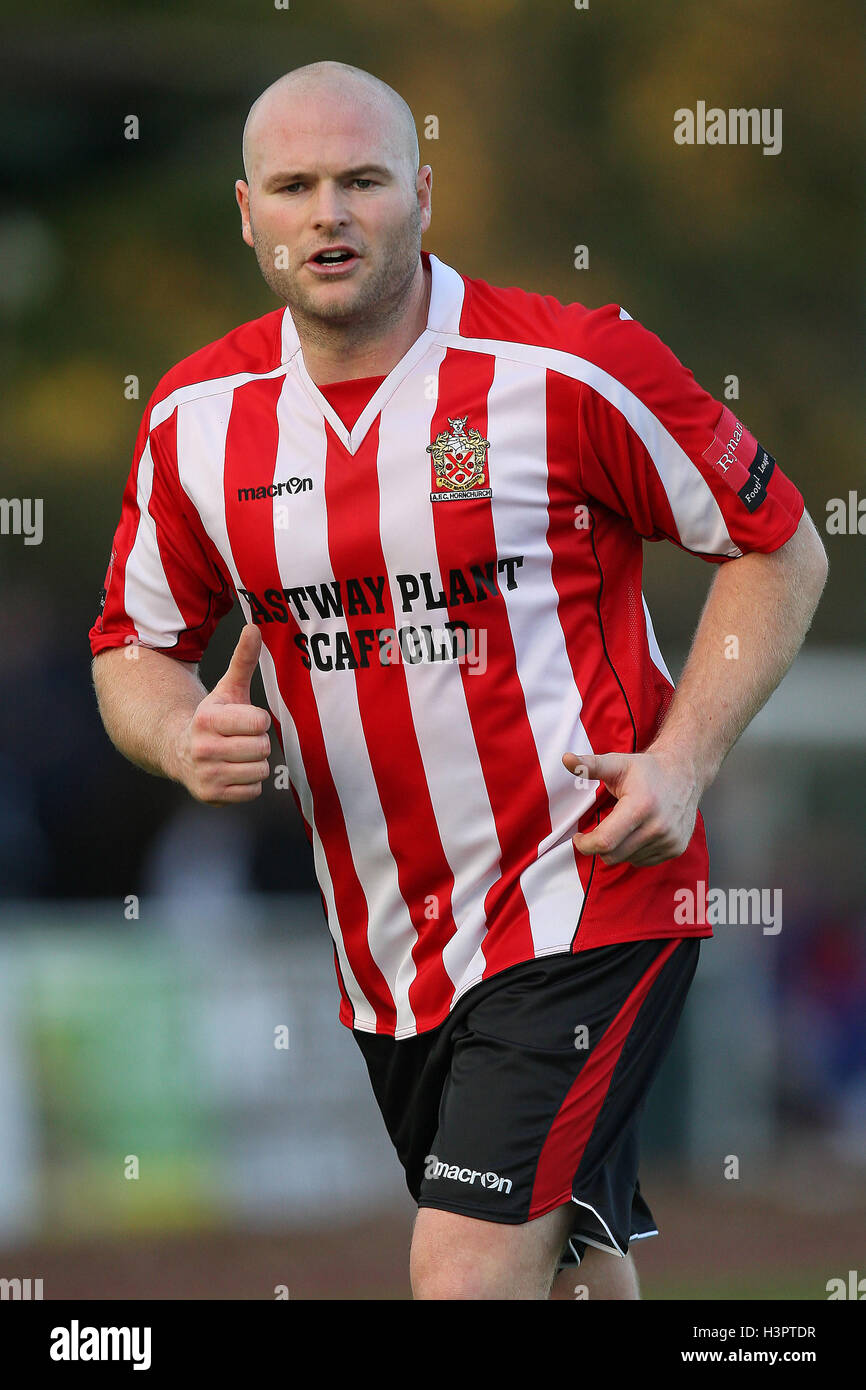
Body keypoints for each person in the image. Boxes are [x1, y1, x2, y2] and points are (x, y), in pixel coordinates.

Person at [89, 60, 828, 1300]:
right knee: (570, 1273)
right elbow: (132, 650)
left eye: (362, 181)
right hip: (389, 950)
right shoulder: (195, 419)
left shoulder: (569, 366)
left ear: (422, 194)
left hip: (588, 895)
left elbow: (780, 546)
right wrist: (178, 738)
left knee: (462, 1273)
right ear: (246, 212)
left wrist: (684, 761)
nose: (329, 213)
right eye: (295, 186)